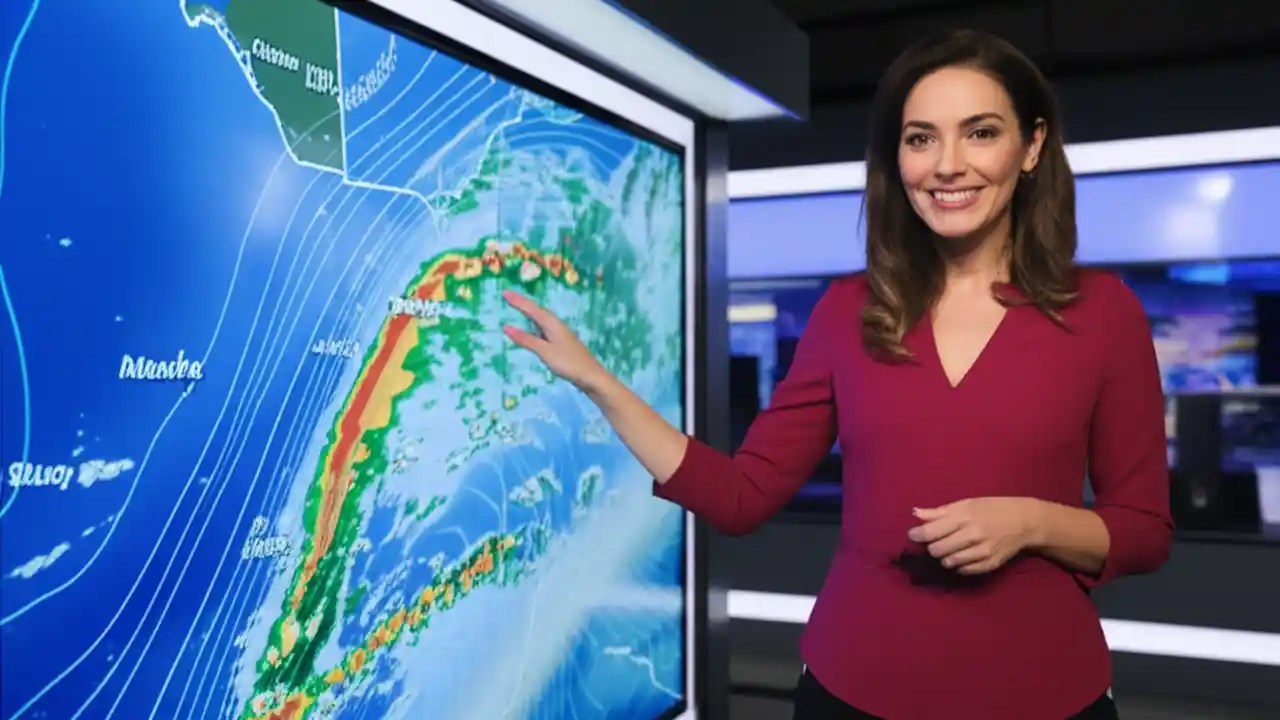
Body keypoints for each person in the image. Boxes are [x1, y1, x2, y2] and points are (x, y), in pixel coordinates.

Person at [502, 28, 1172, 720]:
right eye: (920, 139)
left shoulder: (1102, 313)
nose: (947, 165)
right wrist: (596, 382)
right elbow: (741, 495)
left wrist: (1031, 522)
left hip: (1043, 695)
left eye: (979, 133)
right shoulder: (849, 311)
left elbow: (1145, 530)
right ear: (895, 157)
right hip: (853, 691)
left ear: (1031, 147)